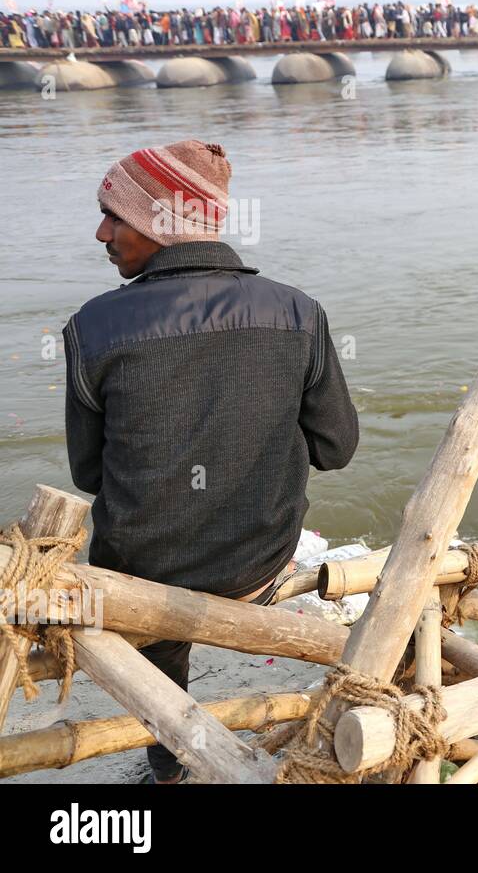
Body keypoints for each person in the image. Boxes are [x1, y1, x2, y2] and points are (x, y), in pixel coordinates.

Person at [63, 140, 359, 783]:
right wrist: (250, 445)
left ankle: (168, 763)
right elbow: (337, 448)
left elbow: (89, 474)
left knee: (151, 593)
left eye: (113, 216)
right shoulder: (298, 311)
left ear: (159, 223)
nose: (101, 233)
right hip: (256, 567)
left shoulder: (93, 326)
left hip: (139, 582)